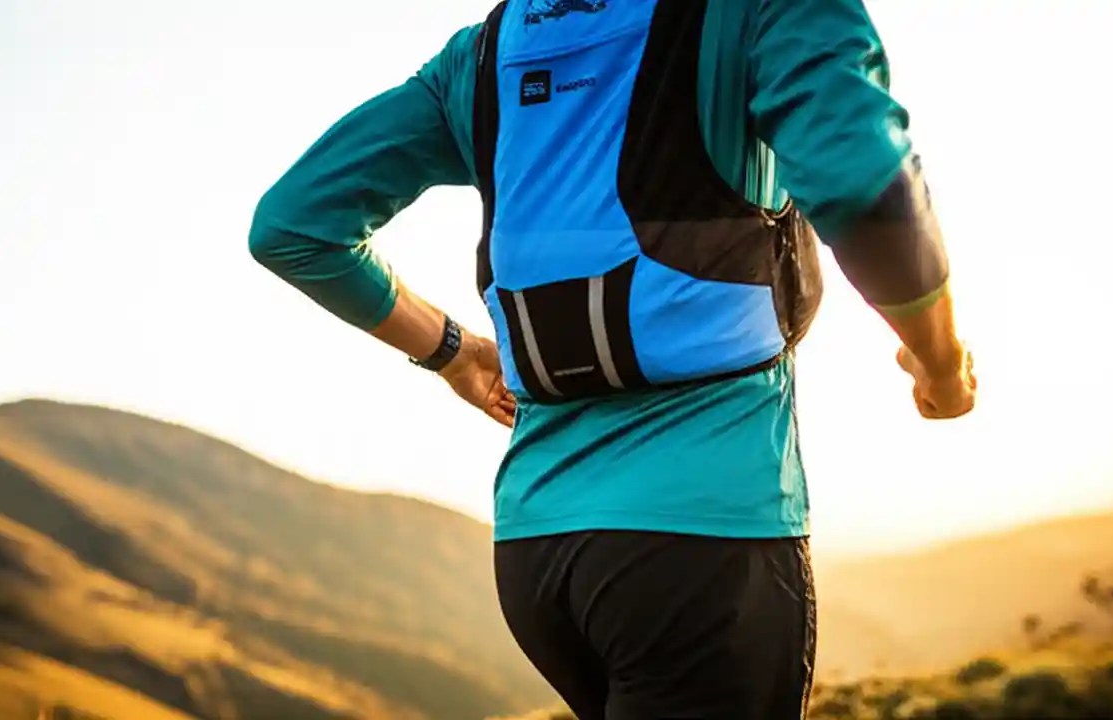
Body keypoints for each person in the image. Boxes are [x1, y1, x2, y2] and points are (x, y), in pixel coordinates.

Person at [248, 0, 977, 717]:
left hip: (537, 553)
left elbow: (294, 226)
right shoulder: (761, 13)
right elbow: (865, 188)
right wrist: (938, 362)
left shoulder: (479, 59)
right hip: (703, 544)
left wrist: (454, 353)